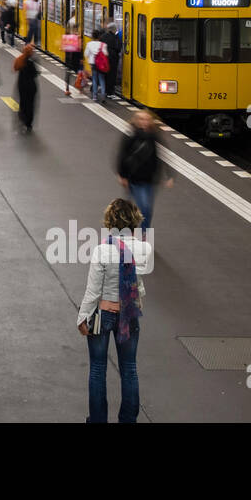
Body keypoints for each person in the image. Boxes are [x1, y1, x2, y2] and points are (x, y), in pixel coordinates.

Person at [77, 198, 152, 423]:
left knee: (98, 369)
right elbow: (138, 284)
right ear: (134, 221)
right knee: (129, 368)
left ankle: (98, 419)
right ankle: (128, 419)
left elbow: (93, 291)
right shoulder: (144, 249)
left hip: (103, 314)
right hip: (128, 313)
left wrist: (83, 317)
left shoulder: (102, 250)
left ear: (110, 221)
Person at [116, 111, 174, 231]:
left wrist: (170, 175)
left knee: (145, 208)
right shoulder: (130, 135)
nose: (145, 122)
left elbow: (161, 155)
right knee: (144, 207)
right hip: (135, 178)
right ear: (136, 121)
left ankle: (141, 232)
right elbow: (122, 155)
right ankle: (139, 233)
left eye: (147, 120)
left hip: (150, 179)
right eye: (142, 119)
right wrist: (122, 175)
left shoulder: (154, 136)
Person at [13, 43, 39, 133]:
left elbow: (15, 68)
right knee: (30, 105)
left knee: (23, 102)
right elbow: (35, 74)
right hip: (31, 86)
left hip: (21, 85)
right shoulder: (31, 62)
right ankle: (29, 123)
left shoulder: (19, 60)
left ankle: (22, 118)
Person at [85, 29, 109, 103]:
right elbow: (106, 54)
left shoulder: (89, 44)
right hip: (101, 65)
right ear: (99, 36)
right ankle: (103, 95)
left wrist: (92, 56)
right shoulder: (103, 45)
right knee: (102, 79)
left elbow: (86, 54)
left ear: (92, 36)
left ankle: (95, 96)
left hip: (93, 63)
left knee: (94, 79)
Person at [101, 22, 123, 97]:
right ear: (114, 30)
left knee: (105, 75)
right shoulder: (115, 38)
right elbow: (118, 48)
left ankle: (103, 90)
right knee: (111, 76)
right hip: (113, 59)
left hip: (104, 59)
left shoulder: (103, 36)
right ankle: (110, 92)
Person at [62, 23, 83, 96]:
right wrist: (81, 58)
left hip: (68, 58)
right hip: (76, 58)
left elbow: (63, 48)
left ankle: (67, 90)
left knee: (68, 74)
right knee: (79, 73)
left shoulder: (68, 38)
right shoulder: (78, 37)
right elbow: (80, 48)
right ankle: (80, 88)